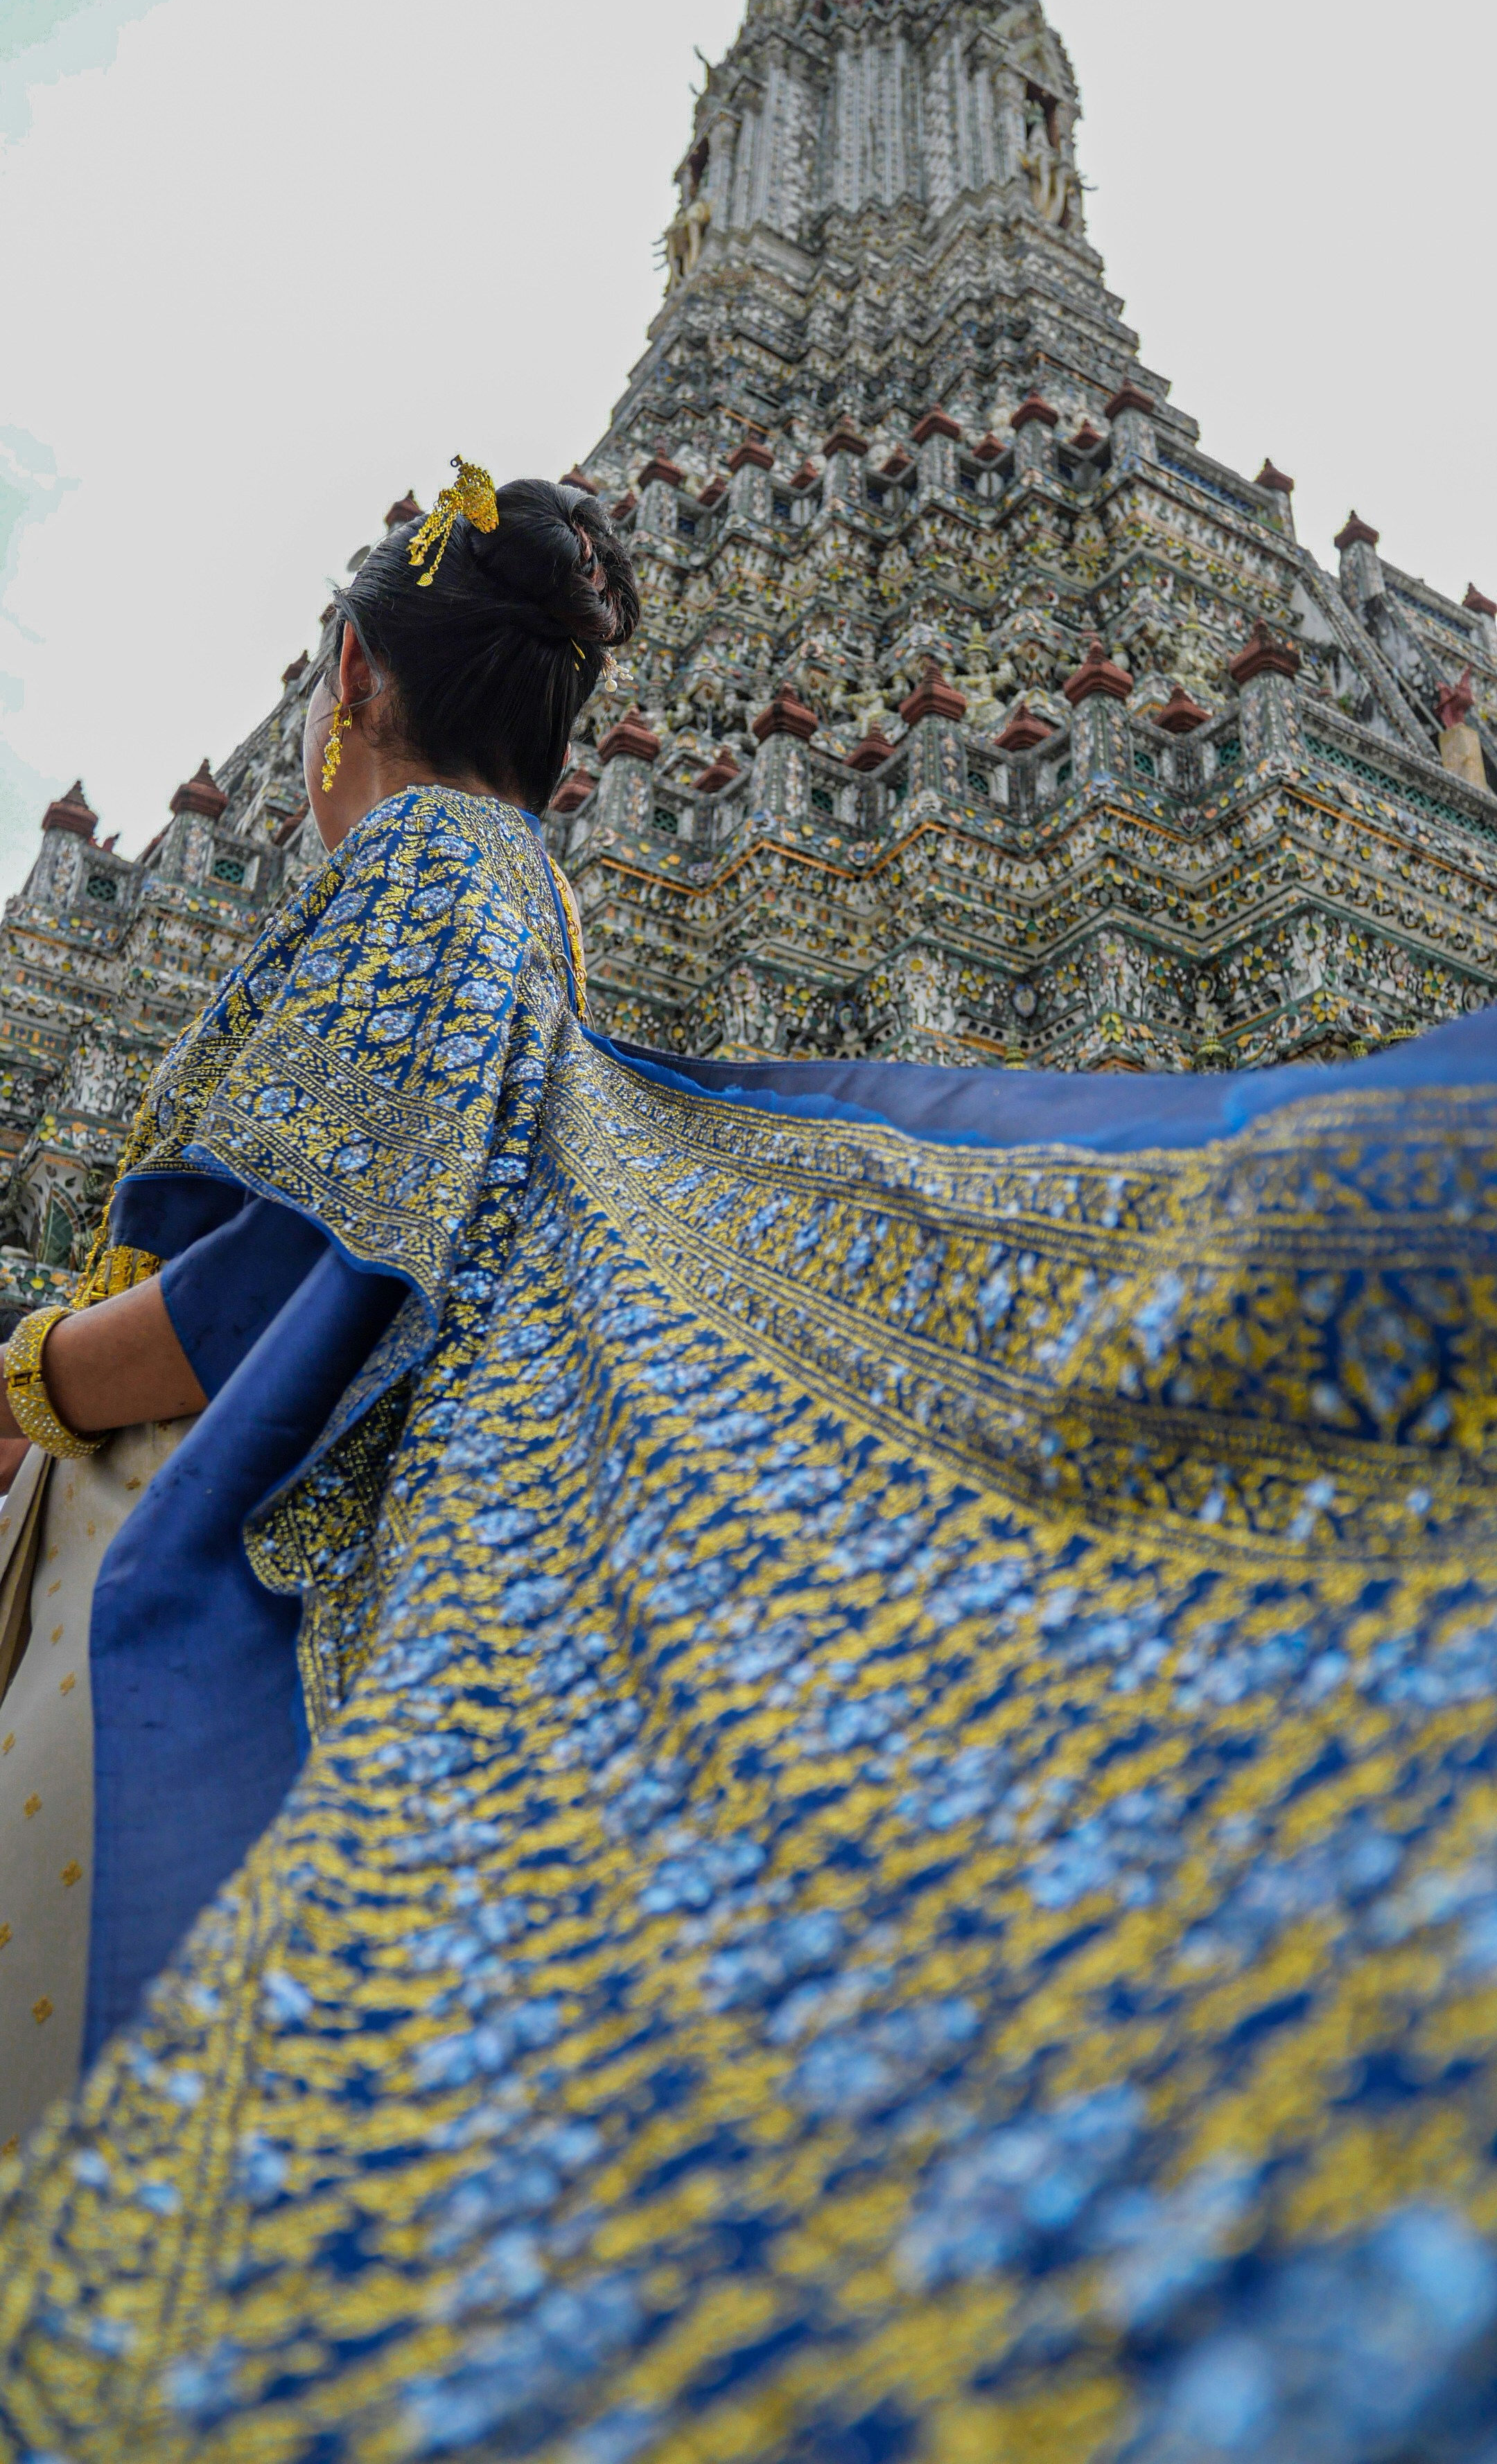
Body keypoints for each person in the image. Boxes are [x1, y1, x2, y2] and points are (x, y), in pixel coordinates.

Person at [2, 464, 1497, 2462]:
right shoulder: (502, 883)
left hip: (203, 1545)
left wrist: (26, 1376)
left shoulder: (432, 873)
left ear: (344, 676)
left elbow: (296, 1266)